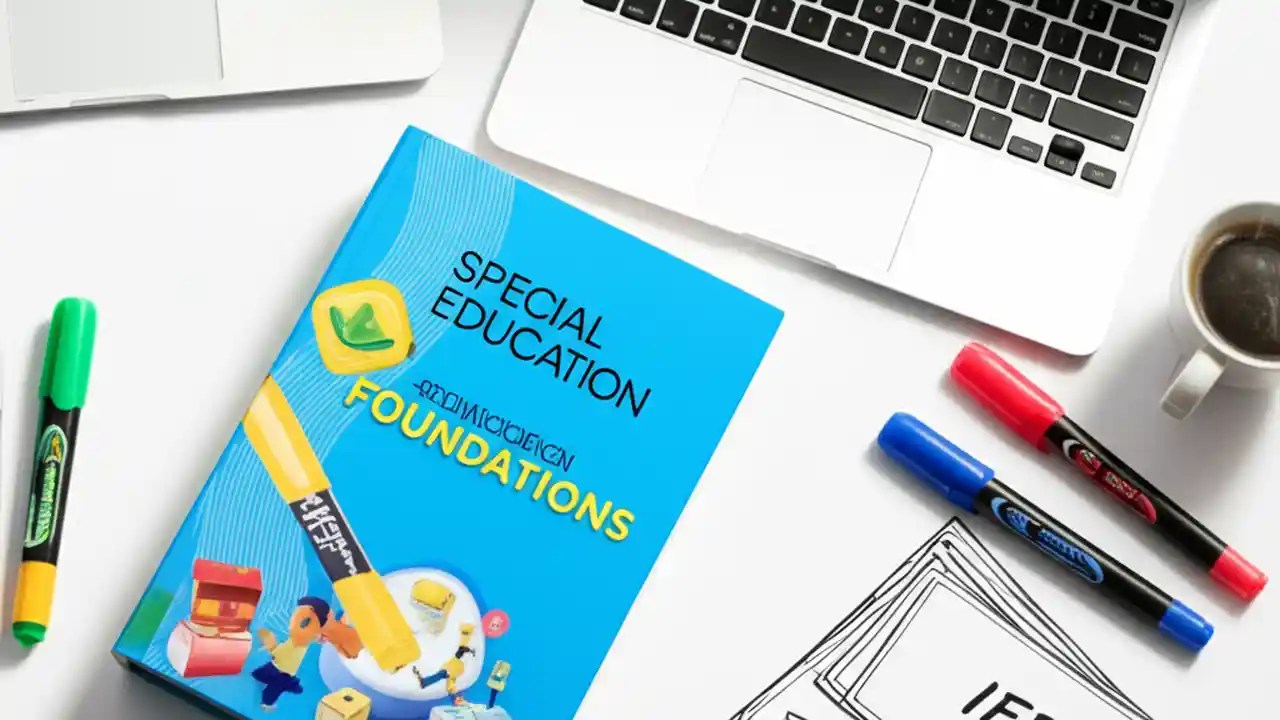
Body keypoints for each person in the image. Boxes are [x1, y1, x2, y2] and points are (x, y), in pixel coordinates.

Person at [251, 597, 362, 710]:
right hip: (281, 669)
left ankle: (267, 694)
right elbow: (280, 652)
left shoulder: (301, 639)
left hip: (282, 669)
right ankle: (274, 696)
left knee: (271, 683)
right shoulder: (300, 639)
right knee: (268, 681)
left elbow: (280, 652)